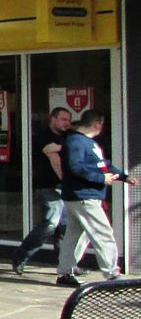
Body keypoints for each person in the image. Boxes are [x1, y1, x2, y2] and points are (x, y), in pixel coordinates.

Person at [57, 110, 138, 286]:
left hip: (80, 196)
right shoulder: (76, 142)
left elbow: (103, 165)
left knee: (76, 235)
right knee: (103, 233)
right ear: (98, 123)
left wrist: (123, 176)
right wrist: (101, 178)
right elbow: (75, 167)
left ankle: (65, 273)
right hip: (83, 195)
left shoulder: (87, 142)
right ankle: (112, 274)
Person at [11, 106, 72, 275]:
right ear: (53, 119)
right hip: (47, 186)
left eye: (68, 120)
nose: (67, 123)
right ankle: (21, 255)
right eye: (63, 119)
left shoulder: (68, 137)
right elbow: (55, 161)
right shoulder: (44, 136)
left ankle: (66, 266)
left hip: (65, 188)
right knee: (50, 223)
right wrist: (67, 181)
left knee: (65, 227)